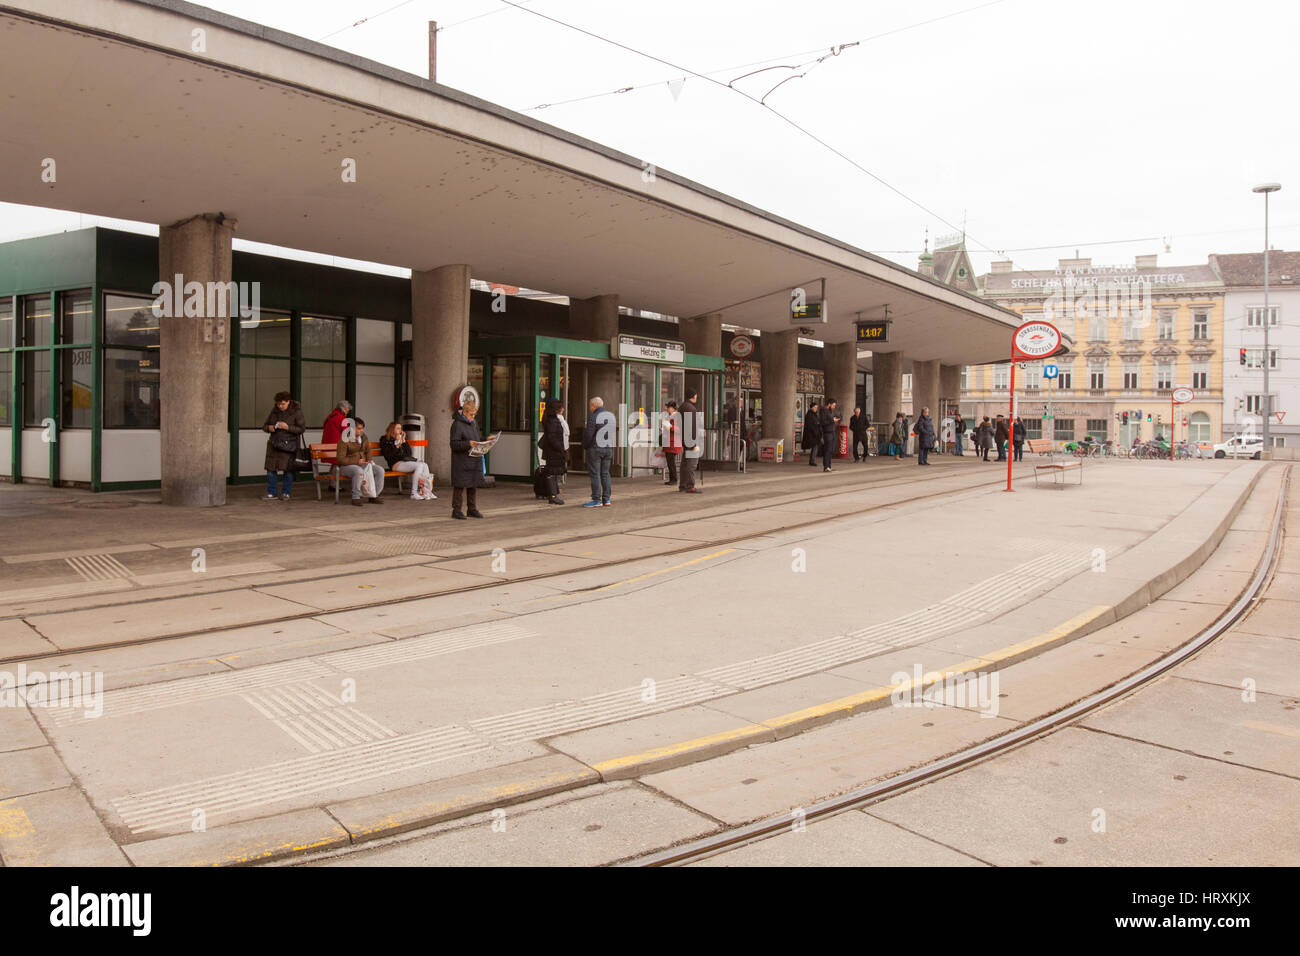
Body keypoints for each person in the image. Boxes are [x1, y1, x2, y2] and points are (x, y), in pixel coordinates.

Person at [262, 391, 305, 500]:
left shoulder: (296, 411)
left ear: (288, 402)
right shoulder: (275, 411)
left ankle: (286, 493)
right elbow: (265, 426)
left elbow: (301, 429)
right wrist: (270, 428)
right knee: (270, 469)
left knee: (287, 470)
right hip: (274, 443)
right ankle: (272, 493)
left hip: (288, 445)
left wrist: (287, 427)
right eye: (278, 404)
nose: (280, 406)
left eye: (282, 404)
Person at [449, 397, 485, 519]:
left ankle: (472, 508)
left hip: (473, 459)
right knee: (459, 485)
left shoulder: (473, 423)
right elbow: (453, 444)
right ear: (464, 412)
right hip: (461, 460)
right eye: (471, 414)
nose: (473, 417)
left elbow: (477, 439)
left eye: (474, 415)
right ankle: (456, 510)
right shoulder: (457, 424)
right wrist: (467, 444)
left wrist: (485, 440)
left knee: (472, 484)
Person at [381, 421, 435, 500]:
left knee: (424, 464)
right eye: (398, 428)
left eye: (400, 428)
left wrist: (404, 441)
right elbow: (389, 456)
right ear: (392, 429)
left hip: (405, 462)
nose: (400, 431)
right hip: (395, 464)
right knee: (419, 465)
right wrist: (397, 445)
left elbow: (409, 453)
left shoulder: (402, 439)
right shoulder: (385, 440)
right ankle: (414, 493)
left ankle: (426, 491)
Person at [581, 396, 616, 507]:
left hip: (596, 448)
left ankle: (596, 500)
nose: (590, 408)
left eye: (590, 406)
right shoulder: (611, 416)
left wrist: (585, 446)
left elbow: (588, 434)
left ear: (593, 406)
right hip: (608, 448)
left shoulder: (594, 416)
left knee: (595, 474)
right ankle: (607, 499)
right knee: (605, 473)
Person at [536, 399, 566, 505]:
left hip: (552, 451)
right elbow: (552, 437)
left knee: (552, 472)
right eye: (560, 407)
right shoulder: (553, 421)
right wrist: (560, 448)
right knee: (551, 473)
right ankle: (553, 495)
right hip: (554, 451)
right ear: (556, 409)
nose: (563, 409)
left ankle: (553, 495)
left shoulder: (550, 419)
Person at [679, 389, 702, 493]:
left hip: (683, 439)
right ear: (693, 396)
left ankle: (683, 485)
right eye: (696, 395)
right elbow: (692, 426)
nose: (697, 397)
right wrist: (694, 443)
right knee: (691, 464)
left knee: (684, 464)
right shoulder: (691, 408)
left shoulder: (682, 407)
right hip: (690, 440)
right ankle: (690, 486)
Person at [660, 399, 682, 486]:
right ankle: (672, 479)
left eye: (668, 407)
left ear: (673, 408)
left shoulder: (676, 417)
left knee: (671, 463)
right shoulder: (669, 416)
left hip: (673, 443)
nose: (667, 409)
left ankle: (674, 480)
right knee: (670, 463)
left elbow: (679, 429)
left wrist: (670, 427)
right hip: (669, 442)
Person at [819, 399, 841, 472]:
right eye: (833, 405)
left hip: (832, 431)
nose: (834, 407)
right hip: (827, 432)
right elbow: (823, 422)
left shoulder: (830, 411)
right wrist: (832, 420)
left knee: (831, 450)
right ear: (829, 404)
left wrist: (834, 420)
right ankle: (826, 466)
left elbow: (830, 420)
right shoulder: (823, 410)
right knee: (828, 449)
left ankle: (829, 466)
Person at [802, 402, 821, 467]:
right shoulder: (809, 415)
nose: (816, 409)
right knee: (815, 447)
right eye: (815, 407)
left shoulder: (814, 414)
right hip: (812, 434)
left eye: (817, 407)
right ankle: (812, 461)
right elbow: (810, 425)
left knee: (815, 447)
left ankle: (812, 460)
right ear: (812, 407)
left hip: (815, 433)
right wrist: (815, 431)